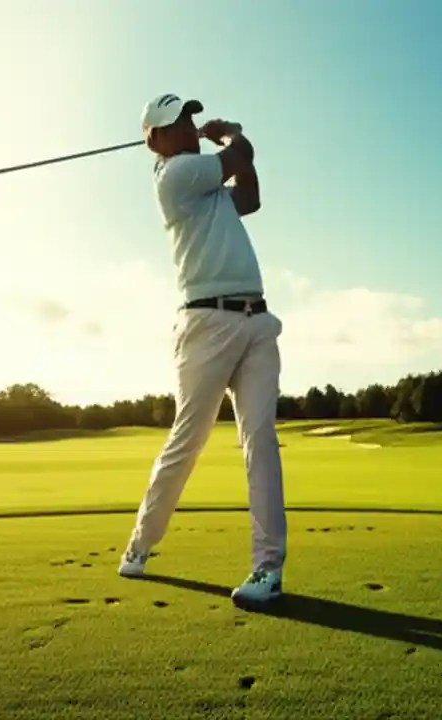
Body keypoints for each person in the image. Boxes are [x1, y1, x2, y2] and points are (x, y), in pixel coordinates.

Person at [117, 93, 287, 607]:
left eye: (191, 121)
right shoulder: (175, 176)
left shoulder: (207, 188)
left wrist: (234, 149)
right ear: (155, 141)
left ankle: (267, 570)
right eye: (178, 124)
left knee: (260, 441)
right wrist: (231, 132)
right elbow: (240, 155)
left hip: (257, 320)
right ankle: (140, 545)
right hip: (206, 324)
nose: (191, 129)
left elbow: (250, 197)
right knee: (188, 440)